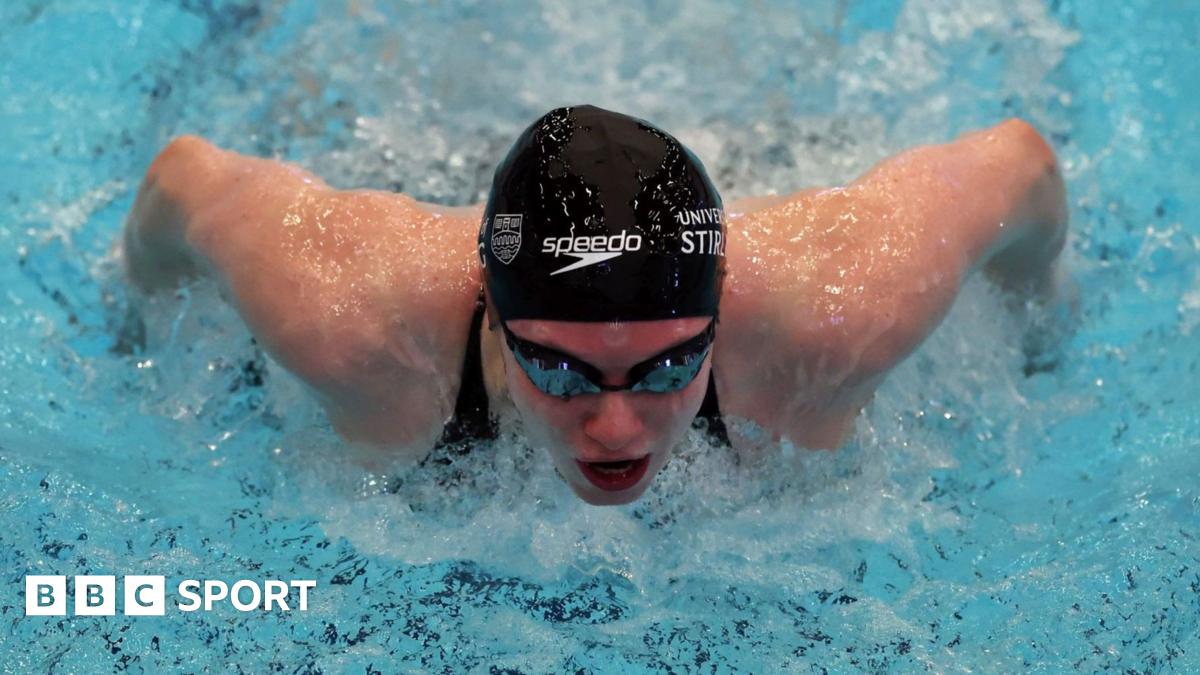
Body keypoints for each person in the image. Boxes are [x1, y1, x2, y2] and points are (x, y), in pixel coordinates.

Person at [122, 104, 1069, 505]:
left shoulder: (846, 303)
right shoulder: (348, 315)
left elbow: (1022, 165)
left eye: (665, 368)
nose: (616, 427)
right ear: (485, 306)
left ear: (723, 300)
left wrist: (1036, 334)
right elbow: (183, 184)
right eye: (559, 369)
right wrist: (140, 333)